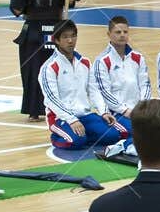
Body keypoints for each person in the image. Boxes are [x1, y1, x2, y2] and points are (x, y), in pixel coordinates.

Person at [10, 0, 84, 121]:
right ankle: (34, 109)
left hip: (56, 29)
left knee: (59, 69)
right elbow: (16, 10)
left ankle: (62, 106)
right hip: (33, 30)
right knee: (32, 70)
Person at [41, 19, 127, 151]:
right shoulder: (49, 67)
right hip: (59, 118)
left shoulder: (85, 62)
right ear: (56, 40)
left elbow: (93, 90)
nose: (70, 41)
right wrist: (71, 120)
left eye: (73, 36)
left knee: (113, 136)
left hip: (85, 115)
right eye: (65, 37)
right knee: (75, 142)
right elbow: (51, 99)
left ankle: (84, 135)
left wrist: (103, 112)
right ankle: (59, 136)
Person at [91, 15, 148, 135]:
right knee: (137, 131)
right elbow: (104, 92)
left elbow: (145, 85)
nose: (122, 35)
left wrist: (143, 107)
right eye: (118, 32)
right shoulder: (102, 61)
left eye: (125, 32)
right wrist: (125, 110)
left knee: (159, 126)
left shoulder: (138, 58)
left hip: (138, 110)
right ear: (109, 34)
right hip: (117, 112)